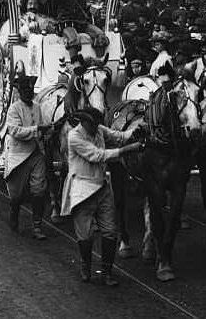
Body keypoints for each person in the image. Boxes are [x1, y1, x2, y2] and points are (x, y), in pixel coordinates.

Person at [61, 107, 144, 286]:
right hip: (82, 190)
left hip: (101, 187)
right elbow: (97, 155)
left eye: (97, 124)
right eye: (93, 124)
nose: (96, 127)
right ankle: (85, 265)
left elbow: (118, 136)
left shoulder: (98, 129)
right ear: (83, 122)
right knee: (85, 236)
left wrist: (137, 130)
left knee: (110, 231)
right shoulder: (74, 136)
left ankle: (107, 272)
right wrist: (127, 150)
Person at [0, 75, 53, 240]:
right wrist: (37, 129)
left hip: (36, 154)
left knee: (39, 190)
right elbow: (15, 131)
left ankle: (37, 226)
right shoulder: (14, 109)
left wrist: (49, 130)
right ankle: (14, 215)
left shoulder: (37, 107)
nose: (29, 93)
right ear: (20, 92)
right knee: (16, 195)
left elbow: (42, 128)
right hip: (19, 155)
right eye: (25, 91)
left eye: (31, 90)